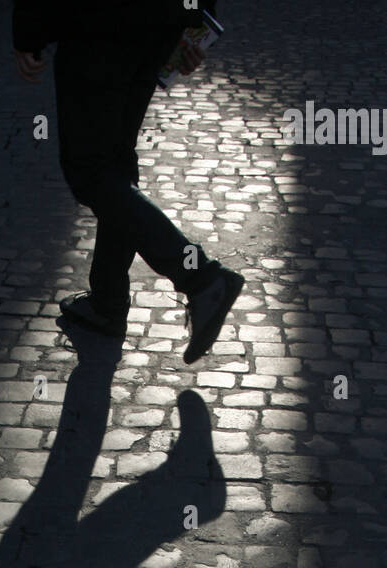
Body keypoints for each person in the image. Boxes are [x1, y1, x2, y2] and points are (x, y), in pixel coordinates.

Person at [12, 0, 243, 362]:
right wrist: (198, 22)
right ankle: (107, 299)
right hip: (156, 25)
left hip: (98, 25)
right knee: (115, 159)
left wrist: (29, 32)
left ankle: (200, 278)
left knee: (90, 170)